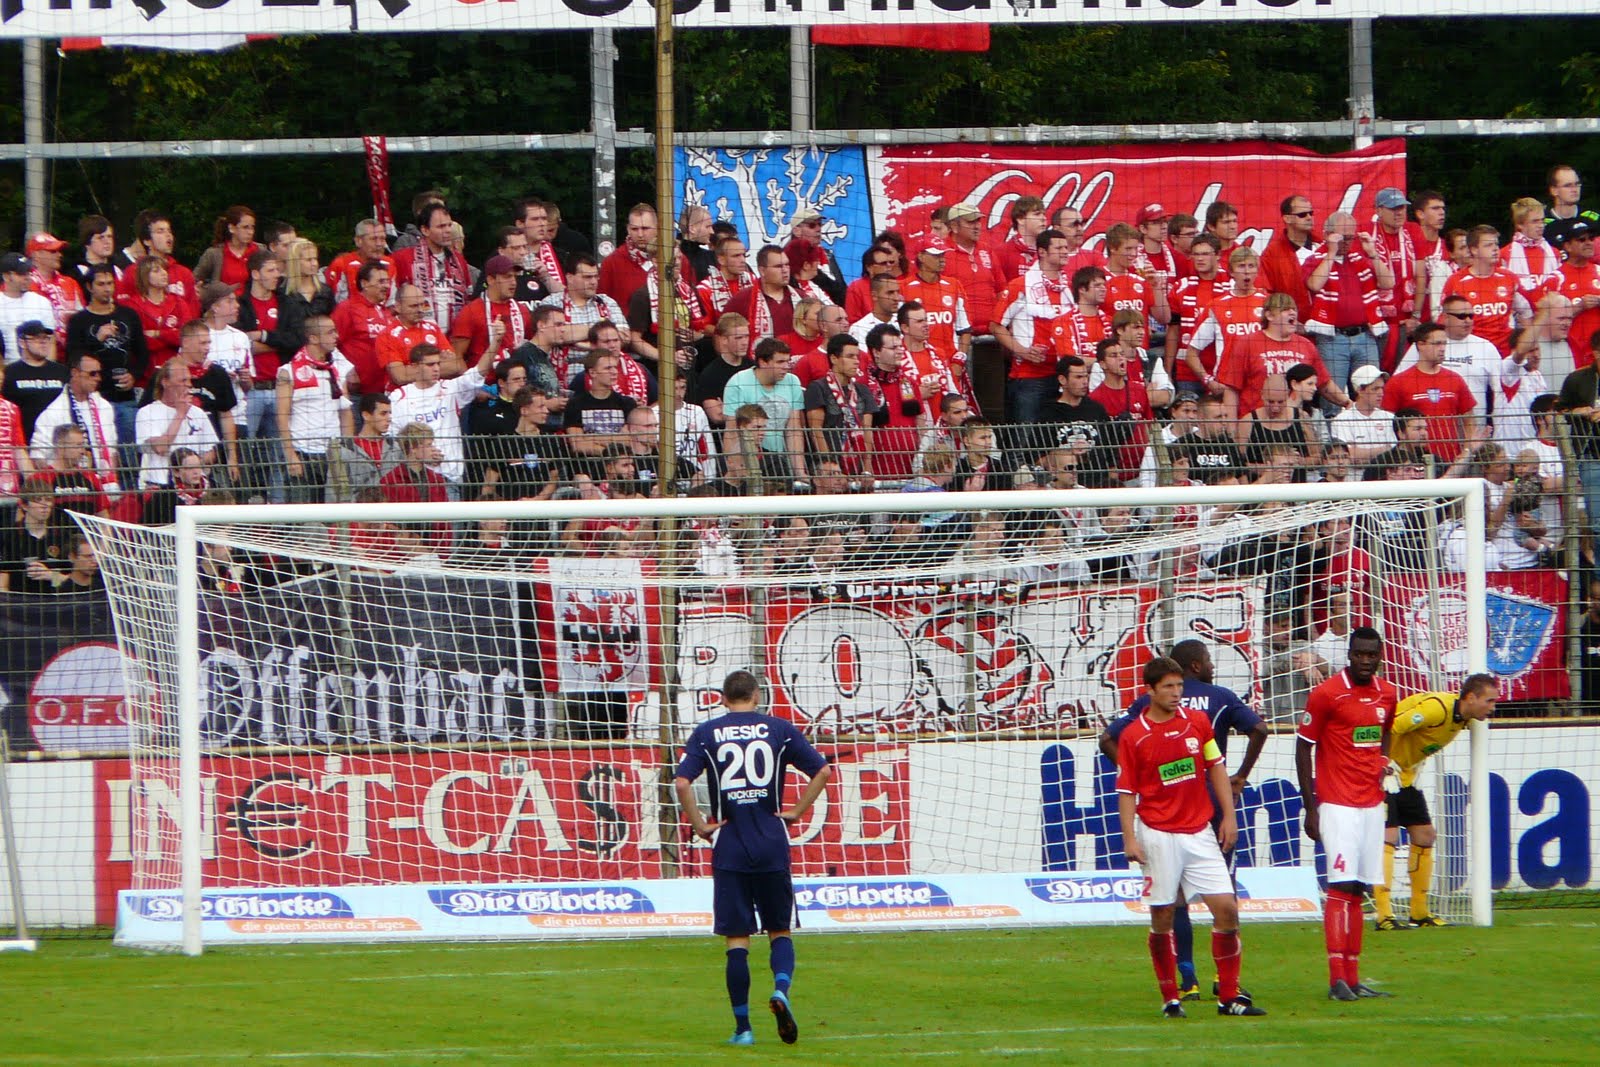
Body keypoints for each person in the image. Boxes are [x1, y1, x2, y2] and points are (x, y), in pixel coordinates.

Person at [1099, 640, 1267, 1002]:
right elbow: (1126, 789)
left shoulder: (1198, 723)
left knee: (1226, 909)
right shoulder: (1135, 736)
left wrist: (1230, 817)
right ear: (1151, 691)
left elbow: (1216, 766)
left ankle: (1229, 996)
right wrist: (1130, 838)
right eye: (1169, 687)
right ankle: (1172, 994)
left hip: (1200, 830)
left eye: (1179, 686)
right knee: (1163, 916)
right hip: (1158, 834)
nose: (1178, 694)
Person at [672, 669, 832, 1047]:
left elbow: (681, 782)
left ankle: (743, 1029)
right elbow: (822, 770)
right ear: (757, 697)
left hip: (730, 843)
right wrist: (796, 812)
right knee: (780, 929)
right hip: (771, 840)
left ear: (723, 699)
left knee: (737, 940)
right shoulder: (778, 729)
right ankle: (780, 990)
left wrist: (699, 824)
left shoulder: (707, 732)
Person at [1296, 625, 1400, 1001]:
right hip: (1338, 805)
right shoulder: (1326, 694)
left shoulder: (1388, 693)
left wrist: (1384, 760)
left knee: (1358, 888)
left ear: (1379, 655)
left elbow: (1386, 731)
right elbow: (1303, 747)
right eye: (1359, 654)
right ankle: (1336, 978)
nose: (1365, 661)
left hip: (1372, 804)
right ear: (1349, 654)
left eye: (1372, 655)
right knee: (1340, 887)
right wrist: (1312, 807)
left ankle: (1353, 978)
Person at [1373, 674, 1498, 931]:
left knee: (1425, 835)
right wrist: (1381, 764)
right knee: (1389, 835)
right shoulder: (1436, 708)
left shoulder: (1461, 719)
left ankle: (1419, 913)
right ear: (1471, 698)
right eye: (1489, 700)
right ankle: (1384, 915)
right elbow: (1392, 726)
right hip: (1383, 772)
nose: (1493, 707)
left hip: (1405, 775)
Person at [391, 202, 472, 331]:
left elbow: (468, 299)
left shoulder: (458, 260)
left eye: (449, 225)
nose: (447, 231)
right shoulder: (402, 259)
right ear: (425, 230)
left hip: (453, 340)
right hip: (416, 338)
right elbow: (391, 303)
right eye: (441, 226)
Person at [192, 205, 260, 295]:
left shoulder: (259, 251)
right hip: (224, 304)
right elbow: (194, 279)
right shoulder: (215, 253)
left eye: (252, 227)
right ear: (232, 228)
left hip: (251, 305)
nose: (250, 232)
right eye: (245, 227)